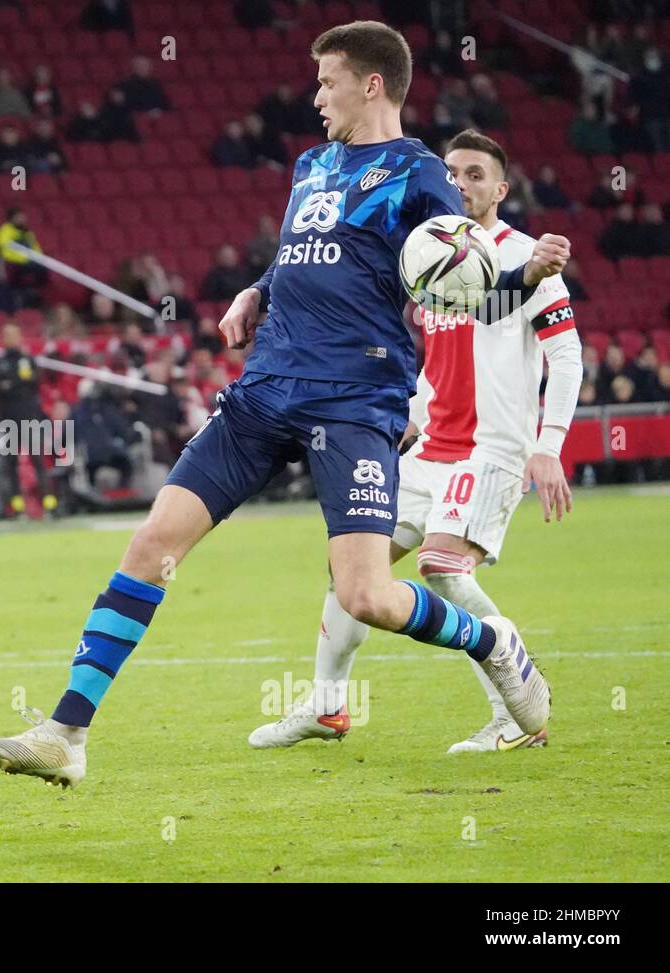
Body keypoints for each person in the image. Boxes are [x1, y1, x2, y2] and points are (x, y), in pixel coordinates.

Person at [0, 20, 567, 788]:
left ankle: (490, 643)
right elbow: (296, 253)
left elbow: (461, 279)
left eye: (326, 81)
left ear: (372, 84)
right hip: (265, 388)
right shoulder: (312, 165)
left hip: (355, 399)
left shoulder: (418, 174)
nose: (314, 96)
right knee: (151, 546)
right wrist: (256, 289)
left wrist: (523, 277)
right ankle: (65, 732)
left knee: (367, 593)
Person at [252, 129, 583, 752]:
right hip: (429, 446)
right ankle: (326, 706)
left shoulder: (523, 254)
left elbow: (565, 357)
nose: (460, 183)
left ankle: (516, 714)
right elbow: (440, 357)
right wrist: (410, 412)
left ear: (501, 189)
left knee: (442, 568)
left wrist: (550, 443)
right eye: (452, 172)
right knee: (352, 569)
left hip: (491, 450)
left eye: (476, 174)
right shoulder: (427, 254)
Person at [0, 323, 57, 515]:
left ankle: (49, 503)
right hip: (8, 418)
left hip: (29, 417)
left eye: (15, 335)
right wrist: (19, 383)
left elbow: (34, 382)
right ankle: (16, 507)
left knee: (38, 460)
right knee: (11, 463)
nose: (12, 339)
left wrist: (11, 384)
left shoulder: (28, 359)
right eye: (7, 336)